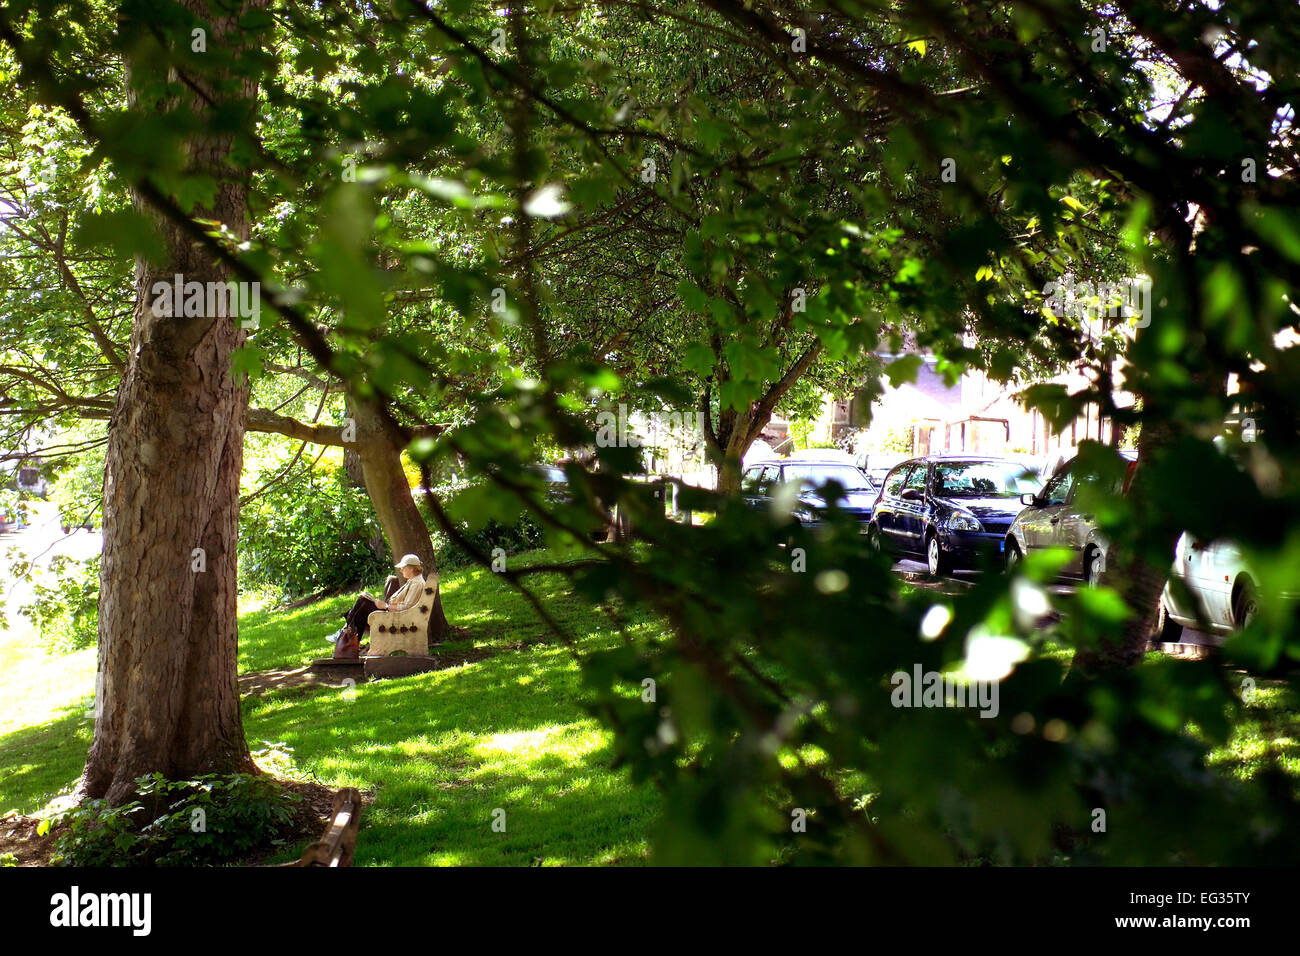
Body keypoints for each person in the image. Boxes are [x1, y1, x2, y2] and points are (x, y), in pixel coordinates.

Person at [340, 554, 426, 639]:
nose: (401, 570)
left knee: (363, 603)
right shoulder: (413, 581)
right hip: (396, 614)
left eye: (403, 568)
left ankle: (346, 636)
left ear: (411, 568)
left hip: (399, 618)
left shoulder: (416, 583)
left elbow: (406, 607)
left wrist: (385, 606)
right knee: (361, 604)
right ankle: (347, 635)